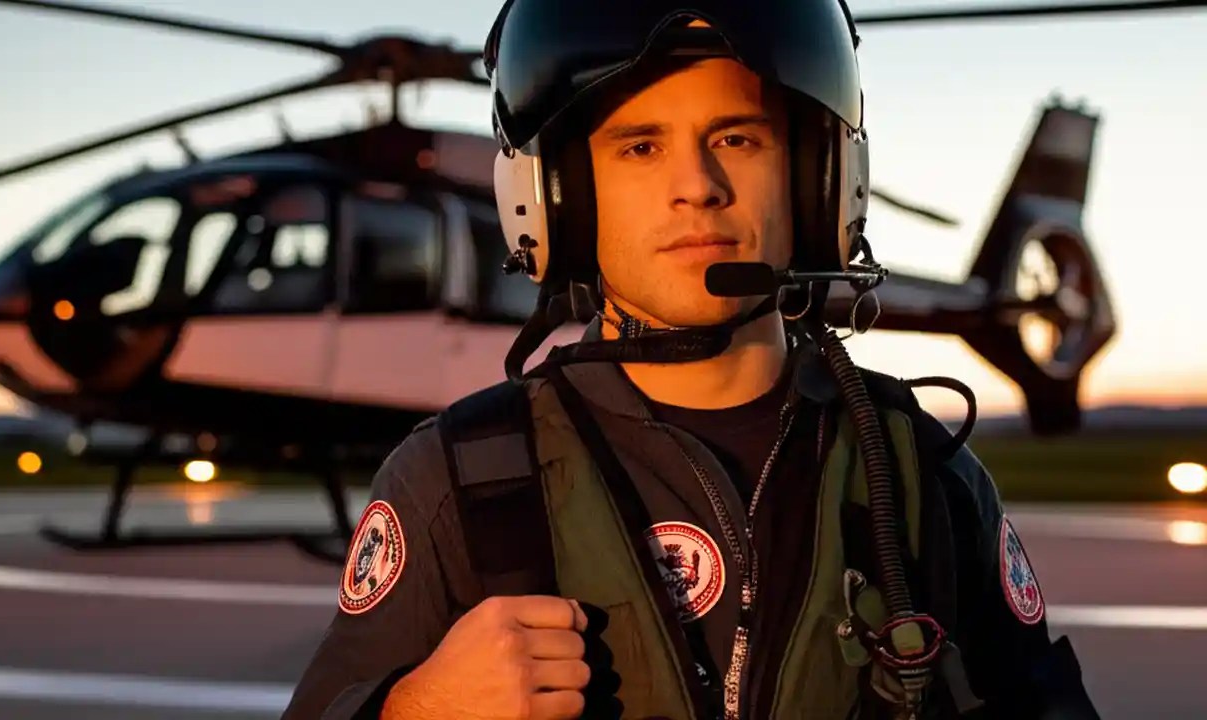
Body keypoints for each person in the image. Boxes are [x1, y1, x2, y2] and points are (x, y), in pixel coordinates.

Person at [282, 1, 1102, 718]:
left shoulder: (921, 472)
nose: (698, 186)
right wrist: (419, 713)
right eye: (639, 148)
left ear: (822, 180)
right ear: (551, 199)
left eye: (737, 138)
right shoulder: (454, 480)